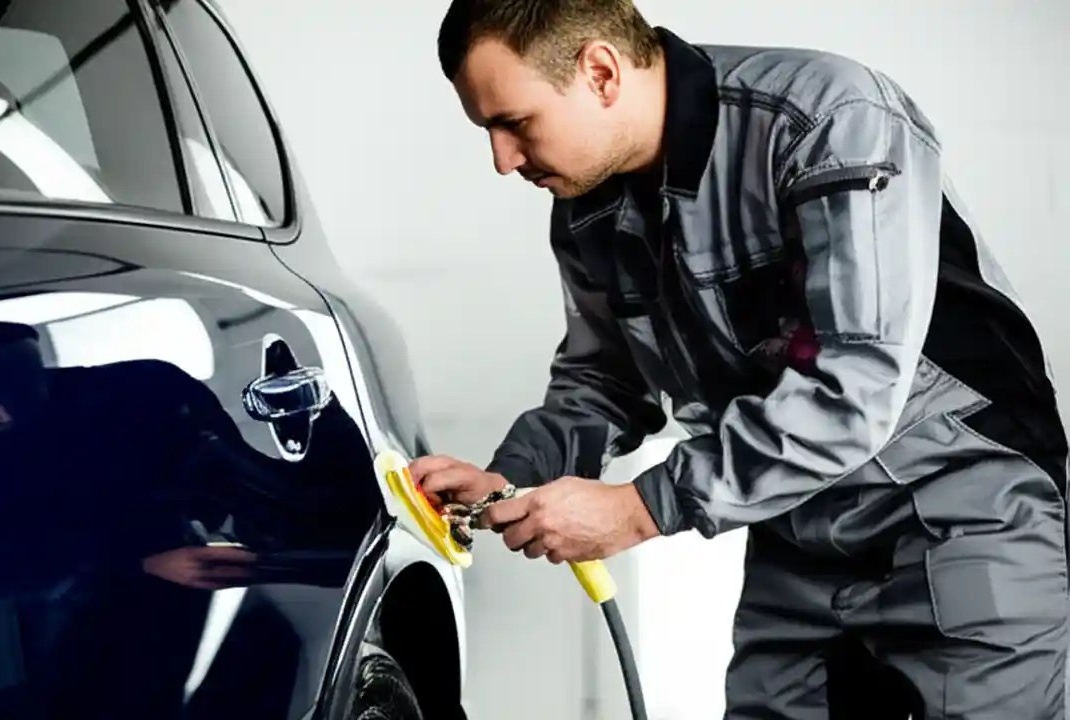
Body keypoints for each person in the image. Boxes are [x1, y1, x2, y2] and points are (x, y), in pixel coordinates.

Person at [412, 1, 1070, 717]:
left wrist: (641, 508)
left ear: (600, 72)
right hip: (796, 537)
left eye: (514, 124)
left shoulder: (826, 120)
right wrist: (511, 478)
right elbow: (604, 379)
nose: (502, 161)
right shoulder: (587, 205)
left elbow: (855, 385)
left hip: (961, 513)